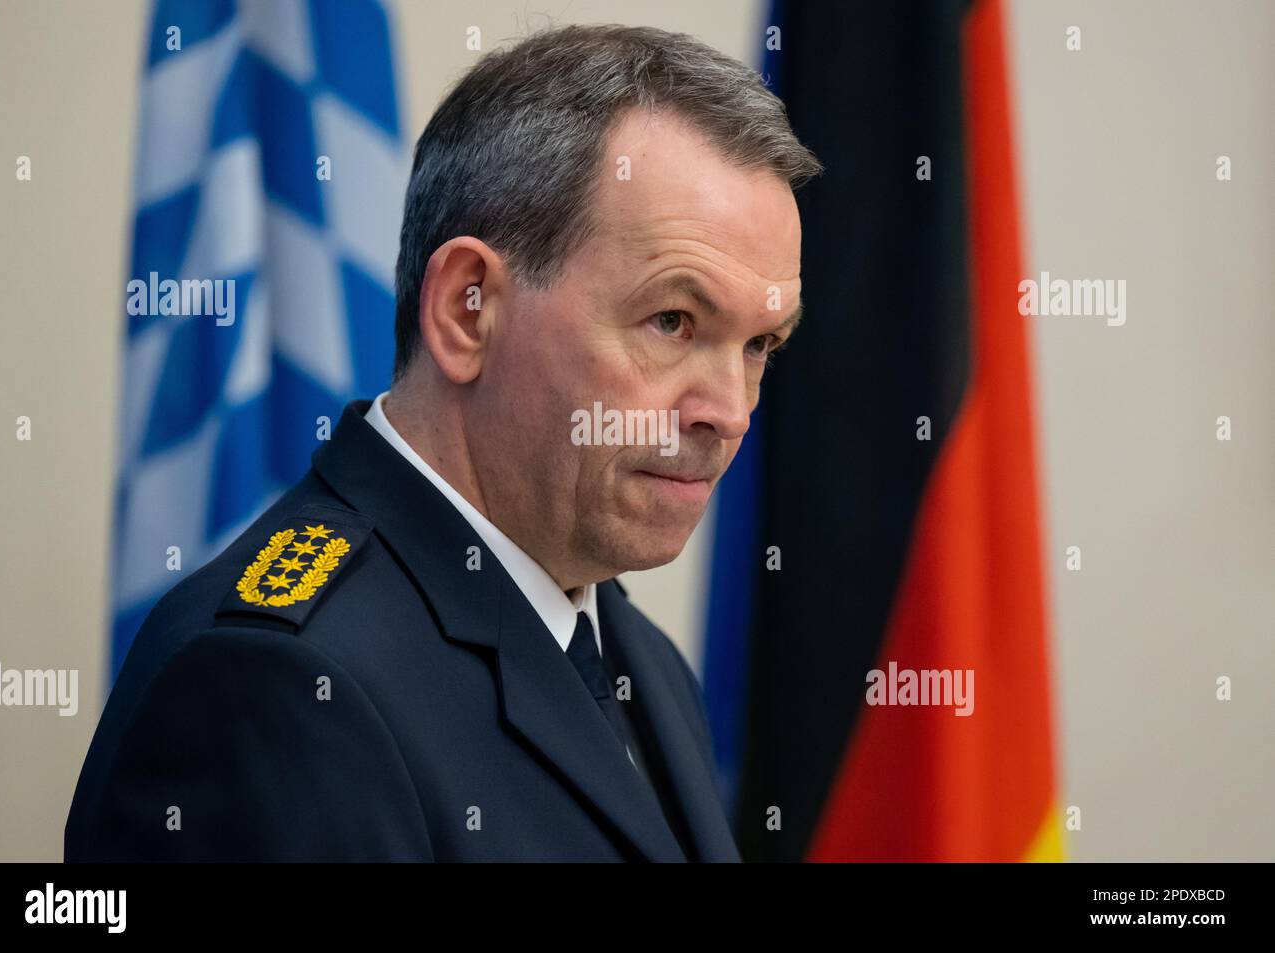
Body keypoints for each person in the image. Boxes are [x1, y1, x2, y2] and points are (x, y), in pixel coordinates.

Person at [65, 22, 820, 862]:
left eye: (759, 346)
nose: (729, 409)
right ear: (468, 309)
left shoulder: (631, 650)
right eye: (673, 321)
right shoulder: (278, 686)